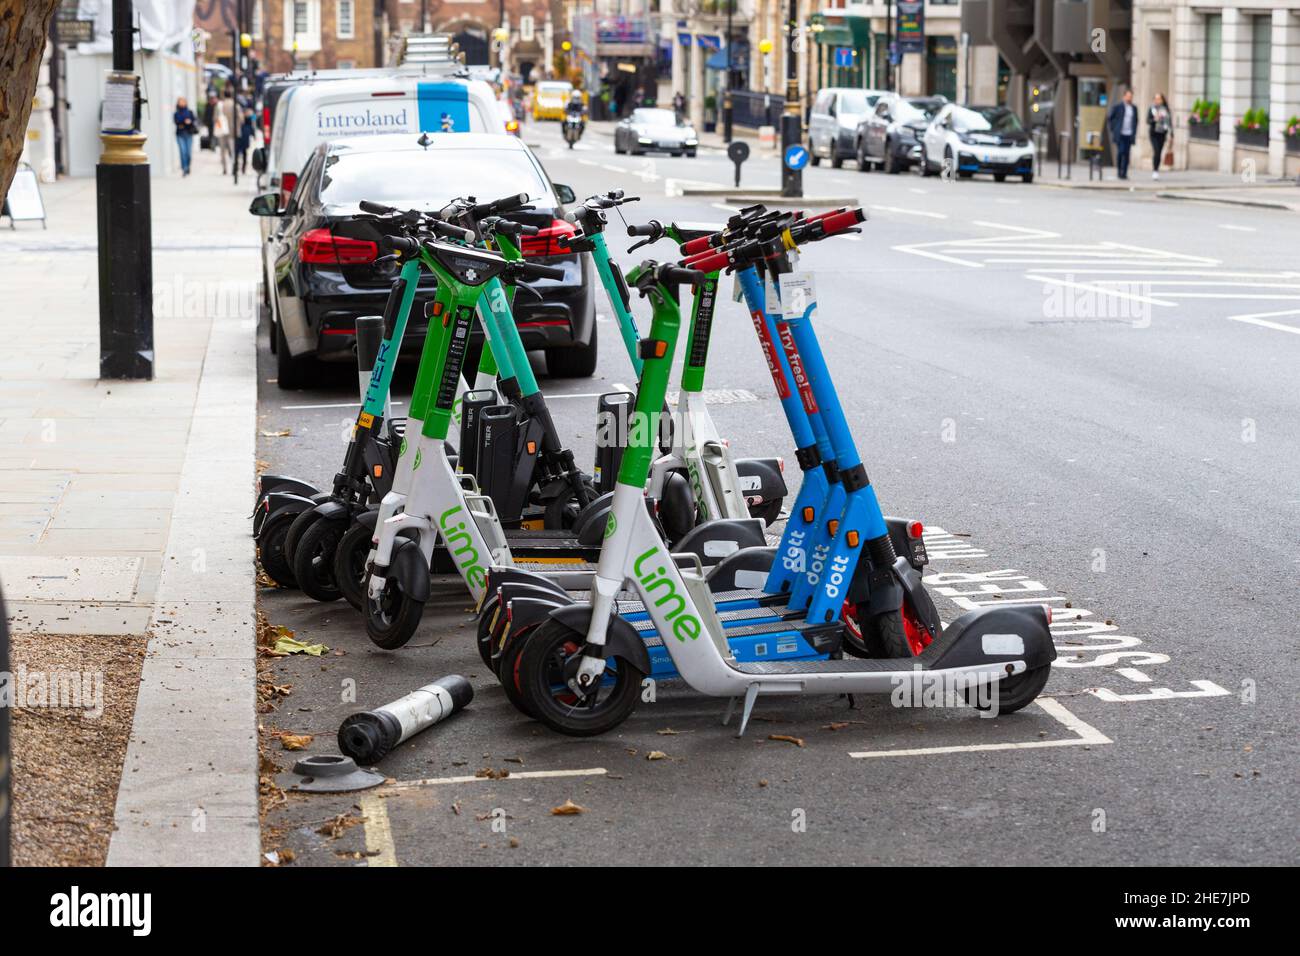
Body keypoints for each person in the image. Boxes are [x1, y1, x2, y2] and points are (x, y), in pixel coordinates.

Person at [1107, 88, 1139, 180]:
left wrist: (1134, 131)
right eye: (1128, 96)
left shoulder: (1134, 108)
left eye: (1131, 96)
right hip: (1120, 134)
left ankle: (1124, 173)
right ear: (1124, 96)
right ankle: (1119, 171)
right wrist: (1114, 129)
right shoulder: (1118, 106)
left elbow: (1136, 120)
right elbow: (1110, 118)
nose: (1129, 98)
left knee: (1127, 153)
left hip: (1129, 134)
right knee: (1121, 152)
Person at [1147, 93, 1172, 181]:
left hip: (1162, 133)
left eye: (1159, 99)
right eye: (1156, 99)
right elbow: (1148, 120)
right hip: (1153, 133)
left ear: (1162, 100)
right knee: (1156, 151)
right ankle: (1155, 171)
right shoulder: (1152, 109)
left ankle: (1156, 170)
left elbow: (1169, 122)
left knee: (1159, 152)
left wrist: (1172, 134)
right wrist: (1154, 119)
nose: (1157, 100)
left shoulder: (1165, 109)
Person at [173, 97, 197, 175]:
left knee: (188, 153)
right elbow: (177, 121)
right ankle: (184, 168)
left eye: (183, 101)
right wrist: (184, 121)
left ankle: (188, 166)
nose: (182, 103)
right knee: (182, 152)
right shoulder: (176, 113)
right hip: (180, 135)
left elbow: (194, 120)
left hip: (189, 134)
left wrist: (188, 122)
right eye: (180, 101)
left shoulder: (190, 112)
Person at [216, 88, 235, 174]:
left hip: (221, 130)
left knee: (222, 151)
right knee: (232, 150)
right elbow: (240, 118)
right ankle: (234, 166)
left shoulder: (219, 105)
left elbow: (215, 118)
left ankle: (225, 168)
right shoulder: (234, 104)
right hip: (231, 131)